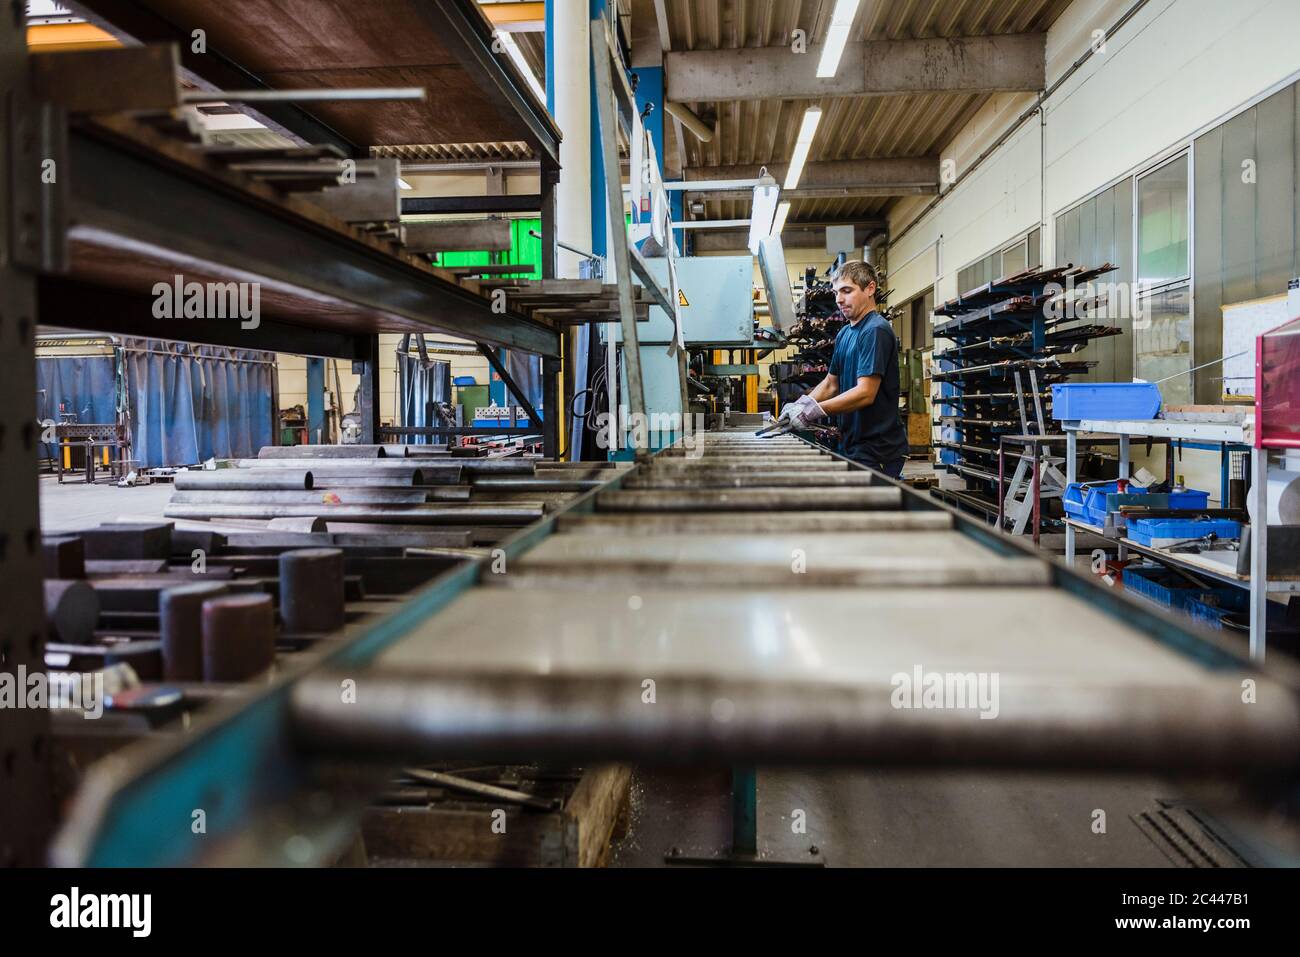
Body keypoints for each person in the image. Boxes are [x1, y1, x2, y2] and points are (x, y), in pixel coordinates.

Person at [776, 260, 910, 479]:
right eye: (836, 292)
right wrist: (801, 404)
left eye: (847, 291)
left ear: (870, 289)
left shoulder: (875, 330)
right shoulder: (845, 334)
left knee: (870, 511)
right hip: (852, 443)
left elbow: (865, 393)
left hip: (877, 449)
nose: (839, 299)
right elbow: (831, 383)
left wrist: (813, 412)